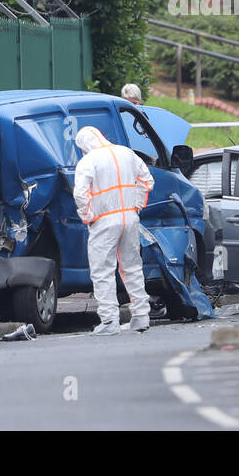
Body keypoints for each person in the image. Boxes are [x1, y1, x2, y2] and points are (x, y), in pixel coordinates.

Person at [72, 126, 153, 334]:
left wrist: (88, 216)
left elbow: (80, 193)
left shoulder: (88, 161)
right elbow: (146, 180)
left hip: (104, 220)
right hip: (129, 217)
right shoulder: (126, 152)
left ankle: (109, 321)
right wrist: (136, 205)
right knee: (132, 267)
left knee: (103, 271)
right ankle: (141, 316)